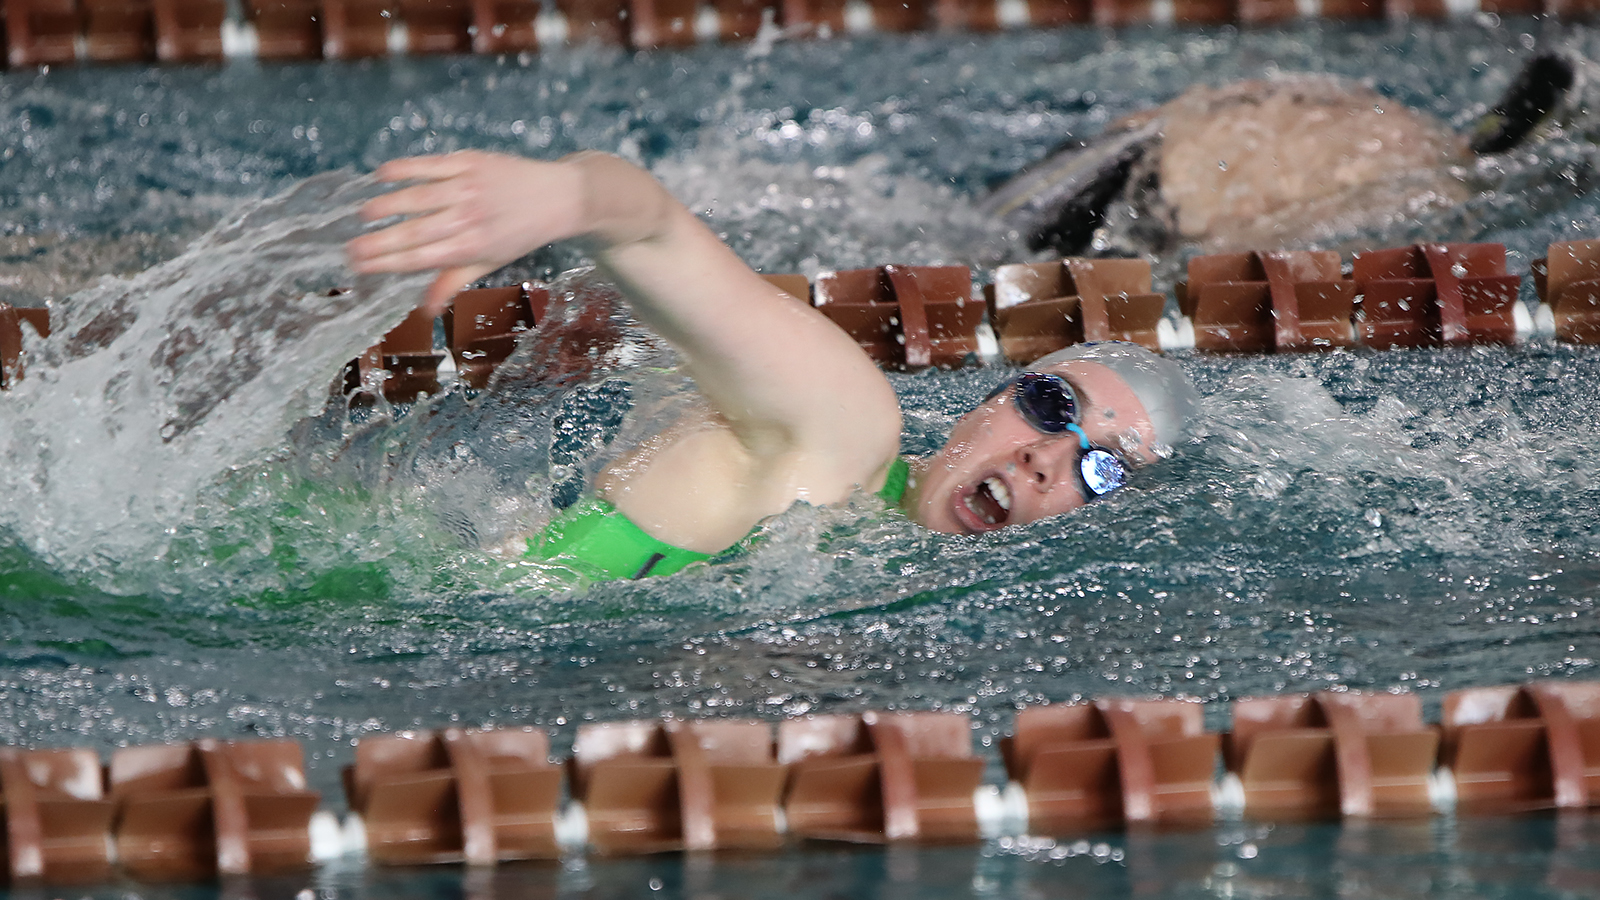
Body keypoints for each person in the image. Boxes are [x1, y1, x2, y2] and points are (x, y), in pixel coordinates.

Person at [345, 150, 1199, 580]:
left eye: (1102, 468)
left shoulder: (866, 562)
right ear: (990, 398)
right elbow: (650, 225)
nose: (1044, 459)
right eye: (1052, 407)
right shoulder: (838, 438)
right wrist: (565, 198)